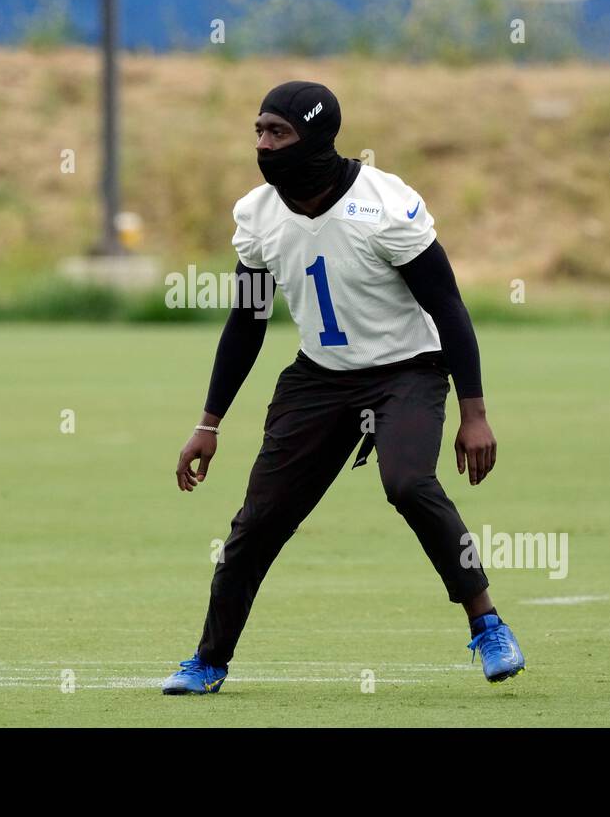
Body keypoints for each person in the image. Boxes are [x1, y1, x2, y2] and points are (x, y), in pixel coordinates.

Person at [163, 80, 525, 695]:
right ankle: (207, 661)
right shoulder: (257, 214)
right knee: (258, 521)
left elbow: (448, 305)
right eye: (258, 131)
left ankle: (487, 623)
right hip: (319, 379)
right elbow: (247, 322)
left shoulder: (385, 205)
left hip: (404, 370)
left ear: (318, 137)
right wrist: (208, 422)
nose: (263, 144)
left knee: (408, 483)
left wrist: (475, 412)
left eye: (278, 132)